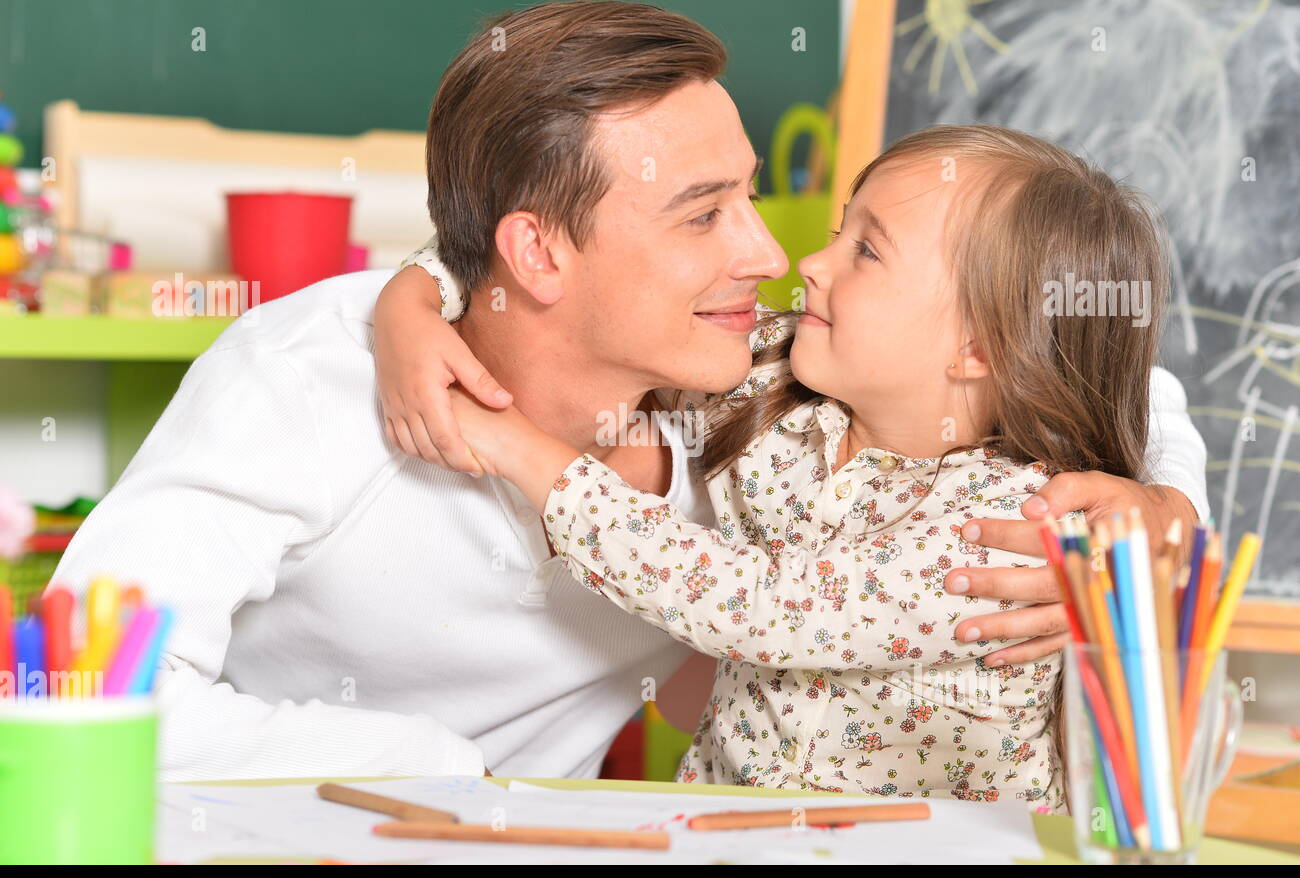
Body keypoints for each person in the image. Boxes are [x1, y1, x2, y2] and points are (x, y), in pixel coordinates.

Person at [50, 3, 1205, 784]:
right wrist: (444, 771)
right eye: (702, 213)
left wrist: (1163, 508)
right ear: (538, 255)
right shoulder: (307, 382)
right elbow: (73, 696)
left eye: (750, 195)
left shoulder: (769, 387)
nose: (770, 254)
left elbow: (1077, 359)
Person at [370, 124, 1184, 810]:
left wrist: (521, 449)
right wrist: (411, 296)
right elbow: (584, 282)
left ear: (978, 348)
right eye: (839, 232)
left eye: (865, 251)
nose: (811, 264)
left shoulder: (1014, 528)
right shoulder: (776, 382)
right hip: (728, 836)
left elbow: (756, 607)